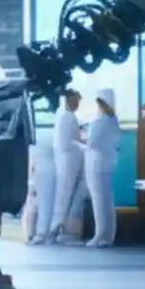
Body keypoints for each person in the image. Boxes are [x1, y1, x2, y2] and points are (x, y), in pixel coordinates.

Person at [46, 89, 85, 244]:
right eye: (76, 101)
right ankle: (56, 228)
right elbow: (65, 142)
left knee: (67, 193)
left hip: (71, 160)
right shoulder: (64, 116)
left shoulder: (68, 115)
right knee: (64, 193)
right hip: (67, 161)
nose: (77, 104)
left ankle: (61, 227)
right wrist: (84, 146)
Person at [84, 88, 122, 248]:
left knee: (98, 201)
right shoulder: (113, 120)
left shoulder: (100, 121)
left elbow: (91, 142)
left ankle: (99, 235)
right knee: (107, 200)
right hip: (108, 163)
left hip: (96, 164)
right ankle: (108, 235)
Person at [27, 125, 57, 245]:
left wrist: (30, 182)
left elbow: (31, 161)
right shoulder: (53, 131)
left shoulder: (36, 134)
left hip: (40, 171)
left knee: (41, 205)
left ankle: (41, 233)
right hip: (54, 170)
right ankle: (48, 233)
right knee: (49, 204)